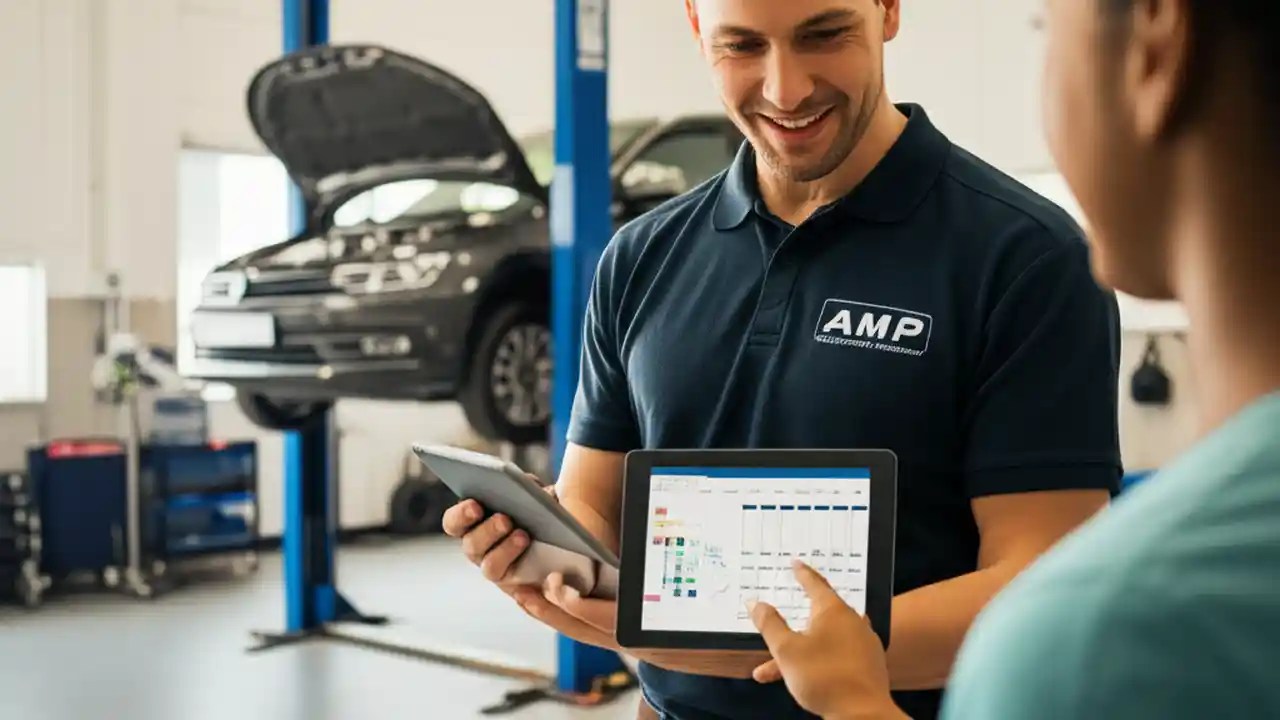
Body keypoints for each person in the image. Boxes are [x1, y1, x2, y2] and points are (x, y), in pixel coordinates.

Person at [443, 0, 1125, 718]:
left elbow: (1038, 587)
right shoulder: (641, 259)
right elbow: (599, 507)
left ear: (888, 10)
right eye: (742, 46)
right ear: (696, 27)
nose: (785, 89)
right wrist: (543, 546)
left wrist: (743, 652)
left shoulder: (1026, 259)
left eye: (823, 35)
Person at [744, 0, 1280, 718]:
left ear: (1158, 41)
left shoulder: (1095, 646)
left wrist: (855, 703)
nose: (785, 89)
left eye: (1046, 31)